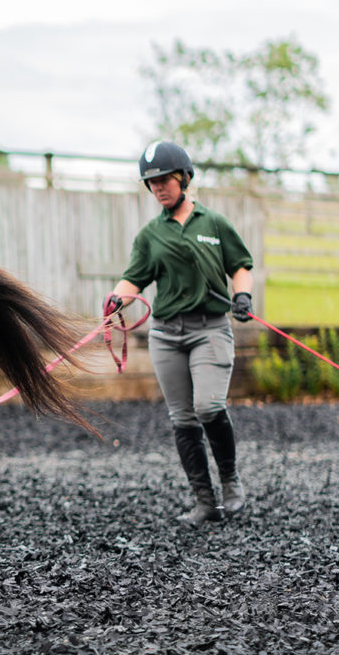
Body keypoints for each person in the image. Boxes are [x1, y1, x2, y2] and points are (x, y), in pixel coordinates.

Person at [103, 140, 255, 524]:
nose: (158, 188)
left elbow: (240, 265)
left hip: (210, 329)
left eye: (164, 180)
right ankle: (205, 502)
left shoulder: (214, 224)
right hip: (167, 335)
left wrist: (242, 295)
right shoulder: (150, 235)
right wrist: (116, 300)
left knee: (208, 407)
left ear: (184, 178)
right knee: (182, 418)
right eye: (152, 183)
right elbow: (133, 279)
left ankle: (231, 483)